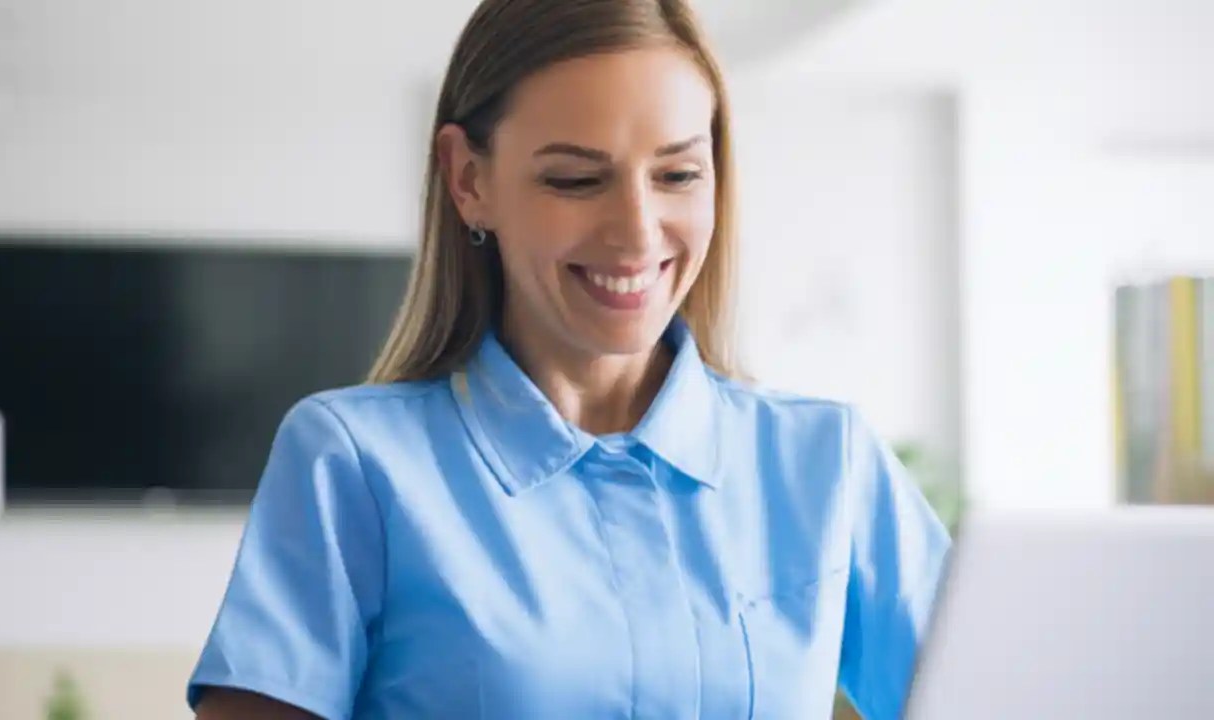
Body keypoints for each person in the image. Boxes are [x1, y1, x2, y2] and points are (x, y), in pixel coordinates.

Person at [187, 0, 951, 718]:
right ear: (469, 180)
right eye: (576, 179)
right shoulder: (352, 464)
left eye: (678, 174)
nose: (638, 232)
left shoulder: (827, 463)